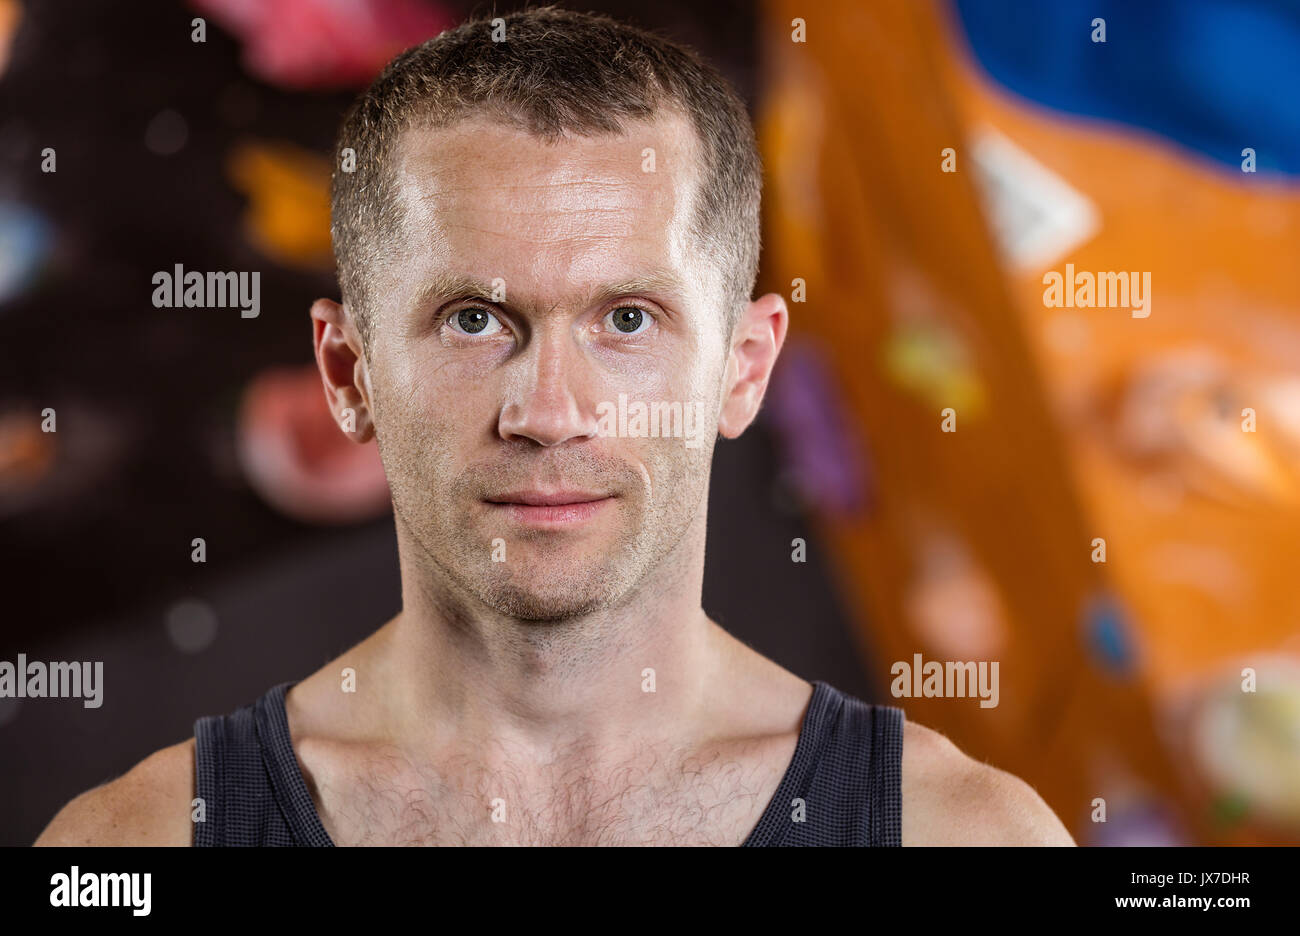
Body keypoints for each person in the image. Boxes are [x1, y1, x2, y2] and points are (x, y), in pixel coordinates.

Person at [36, 6, 1074, 846]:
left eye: (627, 319)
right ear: (348, 371)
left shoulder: (963, 836)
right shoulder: (133, 849)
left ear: (741, 367)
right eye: (473, 320)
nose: (548, 413)